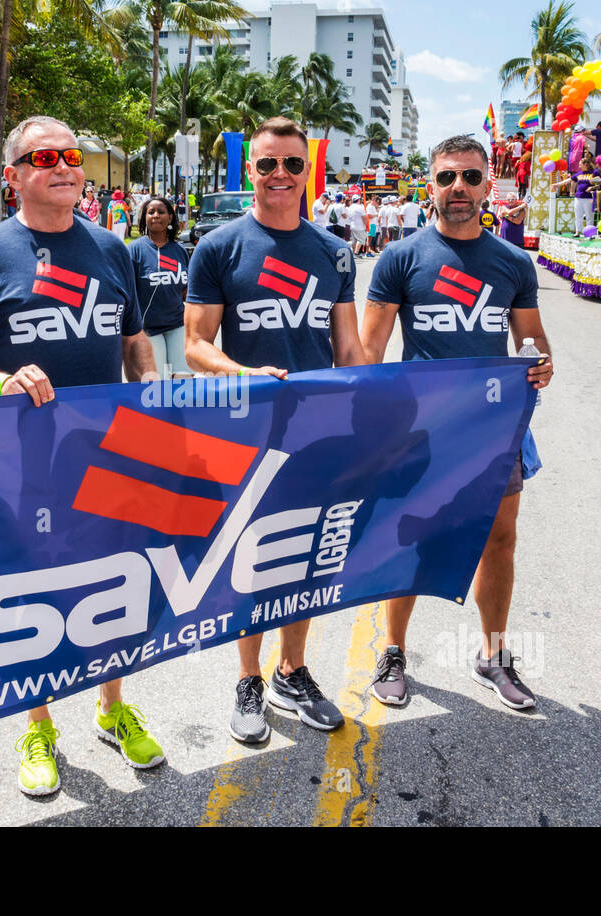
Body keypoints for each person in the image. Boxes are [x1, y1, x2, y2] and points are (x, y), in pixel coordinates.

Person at [0, 114, 163, 798]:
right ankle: (37, 726)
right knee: (34, 591)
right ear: (13, 176)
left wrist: (149, 379)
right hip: (24, 459)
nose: (64, 165)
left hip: (110, 453)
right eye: (45, 157)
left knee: (115, 582)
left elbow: (134, 336)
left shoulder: (113, 249)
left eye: (71, 154)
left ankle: (111, 707)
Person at [184, 115, 364, 745]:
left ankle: (293, 670)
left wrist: (387, 401)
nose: (281, 175)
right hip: (246, 429)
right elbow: (195, 346)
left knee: (309, 555)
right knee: (250, 557)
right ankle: (248, 680)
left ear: (307, 168)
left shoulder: (333, 251)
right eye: (267, 165)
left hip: (316, 432)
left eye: (292, 163)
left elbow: (350, 350)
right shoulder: (219, 247)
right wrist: (244, 374)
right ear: (249, 170)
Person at [359, 133, 553, 711]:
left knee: (499, 539)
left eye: (470, 177)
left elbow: (531, 335)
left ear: (489, 183)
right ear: (431, 186)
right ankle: (392, 651)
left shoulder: (513, 263)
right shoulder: (401, 258)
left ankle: (493, 656)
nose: (458, 188)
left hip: (495, 427)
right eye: (446, 177)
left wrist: (541, 359)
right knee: (413, 537)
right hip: (421, 427)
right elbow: (369, 352)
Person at [129, 195, 190, 377]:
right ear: (144, 218)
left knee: (184, 380)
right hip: (148, 329)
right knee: (156, 382)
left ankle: (178, 408)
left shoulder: (180, 251)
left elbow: (186, 289)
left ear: (170, 217)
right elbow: (127, 292)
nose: (156, 215)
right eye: (151, 212)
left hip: (178, 324)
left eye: (161, 212)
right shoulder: (134, 250)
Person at [551, 154, 599, 233]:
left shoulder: (594, 172)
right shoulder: (579, 174)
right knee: (578, 215)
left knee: (589, 216)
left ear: (585, 164)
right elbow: (569, 180)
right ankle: (578, 231)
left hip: (589, 197)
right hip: (579, 197)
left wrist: (593, 187)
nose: (579, 166)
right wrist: (557, 185)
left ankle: (590, 232)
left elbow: (599, 182)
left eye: (580, 164)